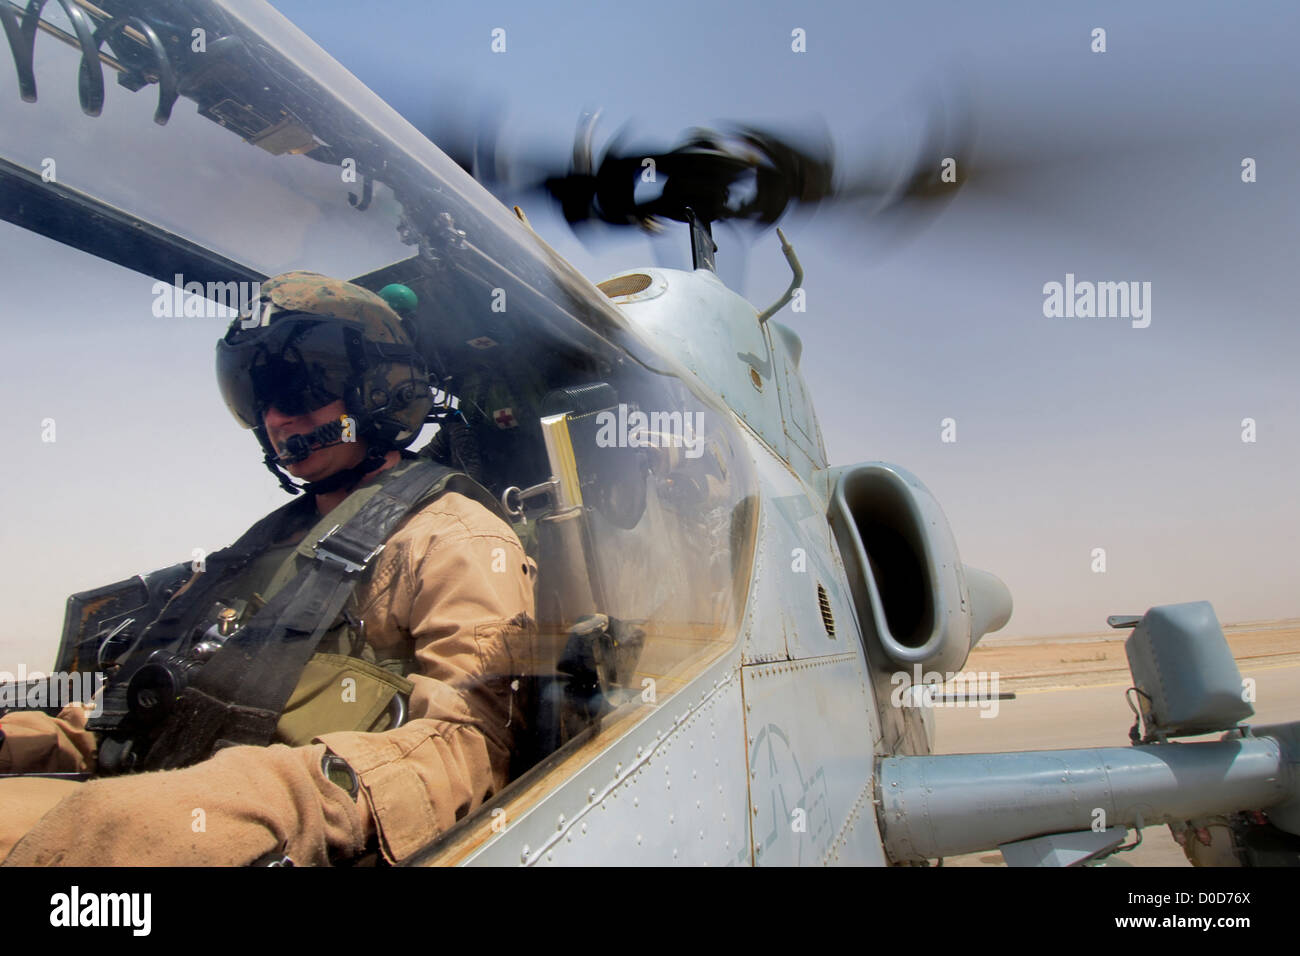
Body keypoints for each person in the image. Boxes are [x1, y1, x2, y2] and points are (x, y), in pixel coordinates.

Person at [0, 272, 536, 866]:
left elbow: (471, 748)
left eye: (299, 385)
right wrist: (32, 740)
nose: (276, 416)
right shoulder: (268, 544)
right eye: (257, 395)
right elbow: (136, 716)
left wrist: (250, 801)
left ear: (378, 387)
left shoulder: (455, 536)